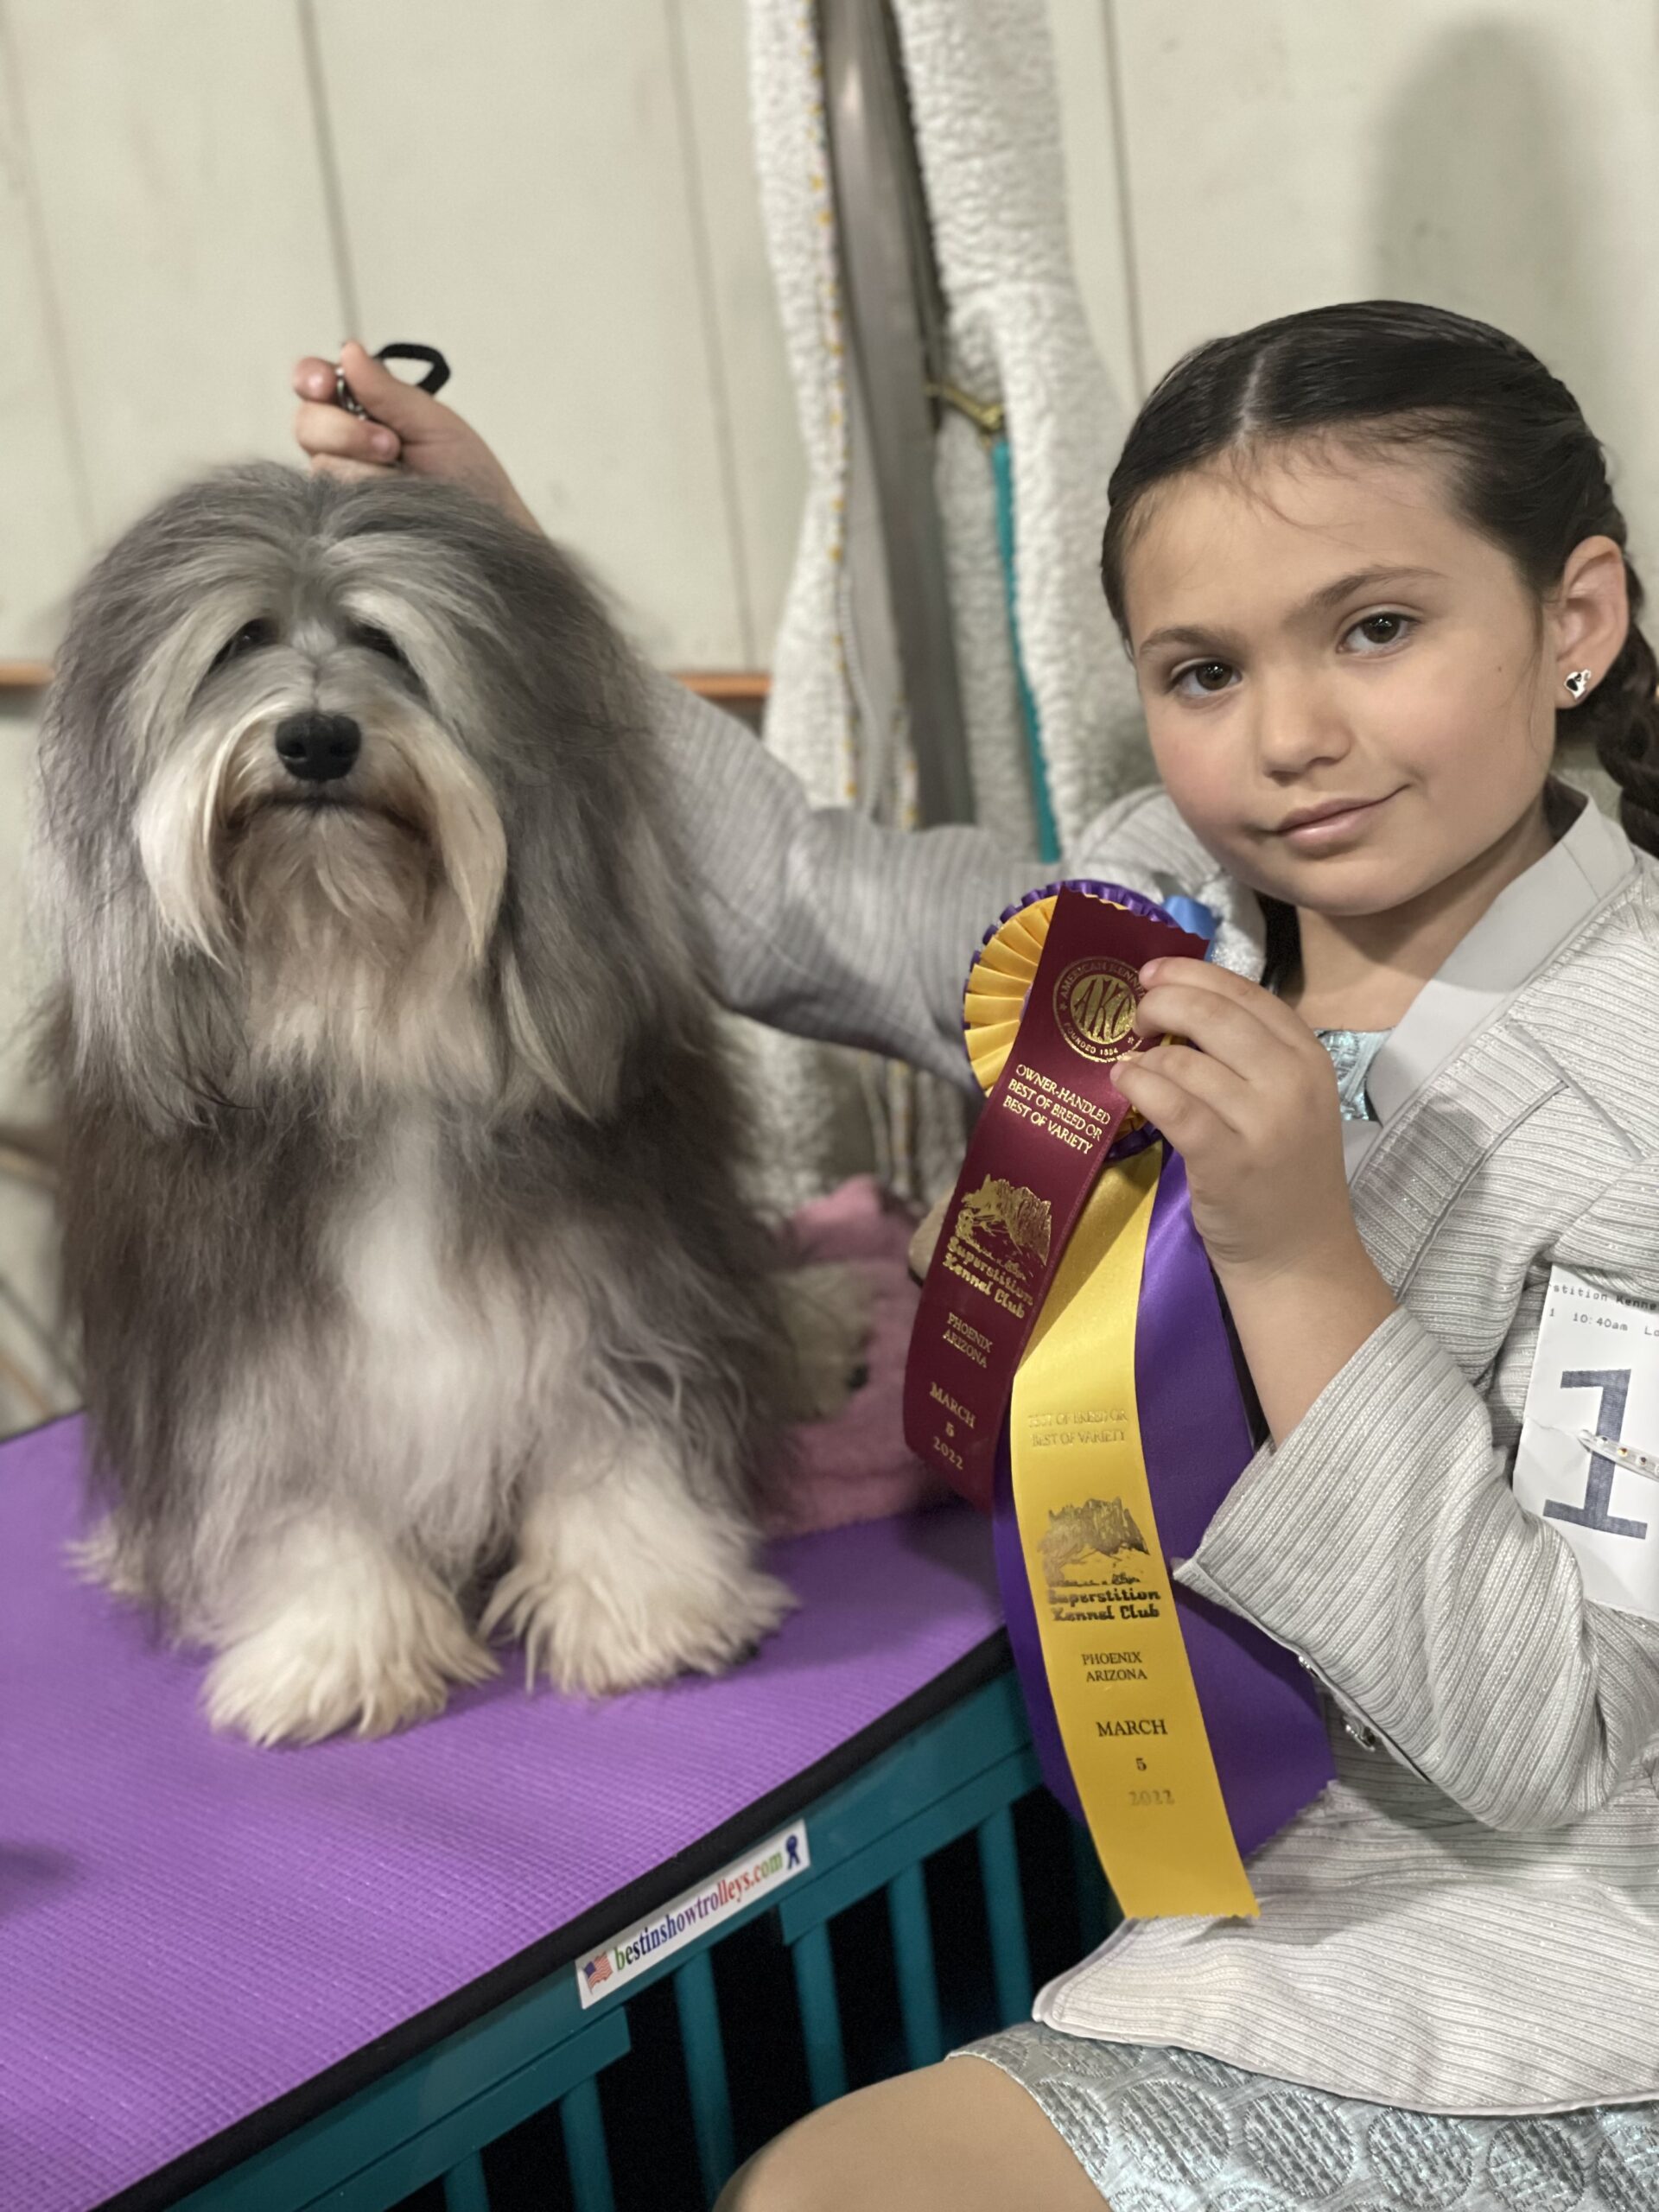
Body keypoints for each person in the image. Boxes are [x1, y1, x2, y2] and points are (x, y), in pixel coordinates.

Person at [293, 306, 1659, 2211]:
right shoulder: (1148, 929)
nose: (1290, 737)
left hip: (1548, 2003)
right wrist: (507, 571)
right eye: (1204, 670)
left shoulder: (1630, 1086)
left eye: (1375, 628)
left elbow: (1550, 1733)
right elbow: (797, 895)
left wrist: (1296, 1256)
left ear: (1574, 617)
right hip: (1205, 1914)